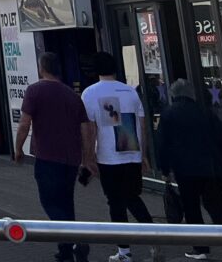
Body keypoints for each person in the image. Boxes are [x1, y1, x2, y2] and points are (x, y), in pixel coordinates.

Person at [14, 51, 97, 262]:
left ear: (42, 68)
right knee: (66, 202)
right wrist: (87, 158)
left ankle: (76, 240)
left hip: (47, 156)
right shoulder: (71, 94)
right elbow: (86, 128)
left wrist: (18, 148)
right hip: (70, 158)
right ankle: (66, 250)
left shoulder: (34, 91)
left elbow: (25, 123)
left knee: (50, 202)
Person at [82, 53, 157, 262]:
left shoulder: (90, 93)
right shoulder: (130, 92)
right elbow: (142, 125)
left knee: (115, 203)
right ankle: (155, 240)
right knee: (133, 198)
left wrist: (87, 157)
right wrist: (143, 154)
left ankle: (124, 252)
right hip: (132, 153)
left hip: (108, 156)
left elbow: (89, 129)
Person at [155, 79, 222, 262]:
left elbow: (162, 144)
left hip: (185, 169)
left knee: (192, 209)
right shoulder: (206, 112)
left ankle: (201, 248)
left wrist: (164, 169)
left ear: (173, 95)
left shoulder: (168, 114)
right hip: (212, 167)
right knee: (218, 208)